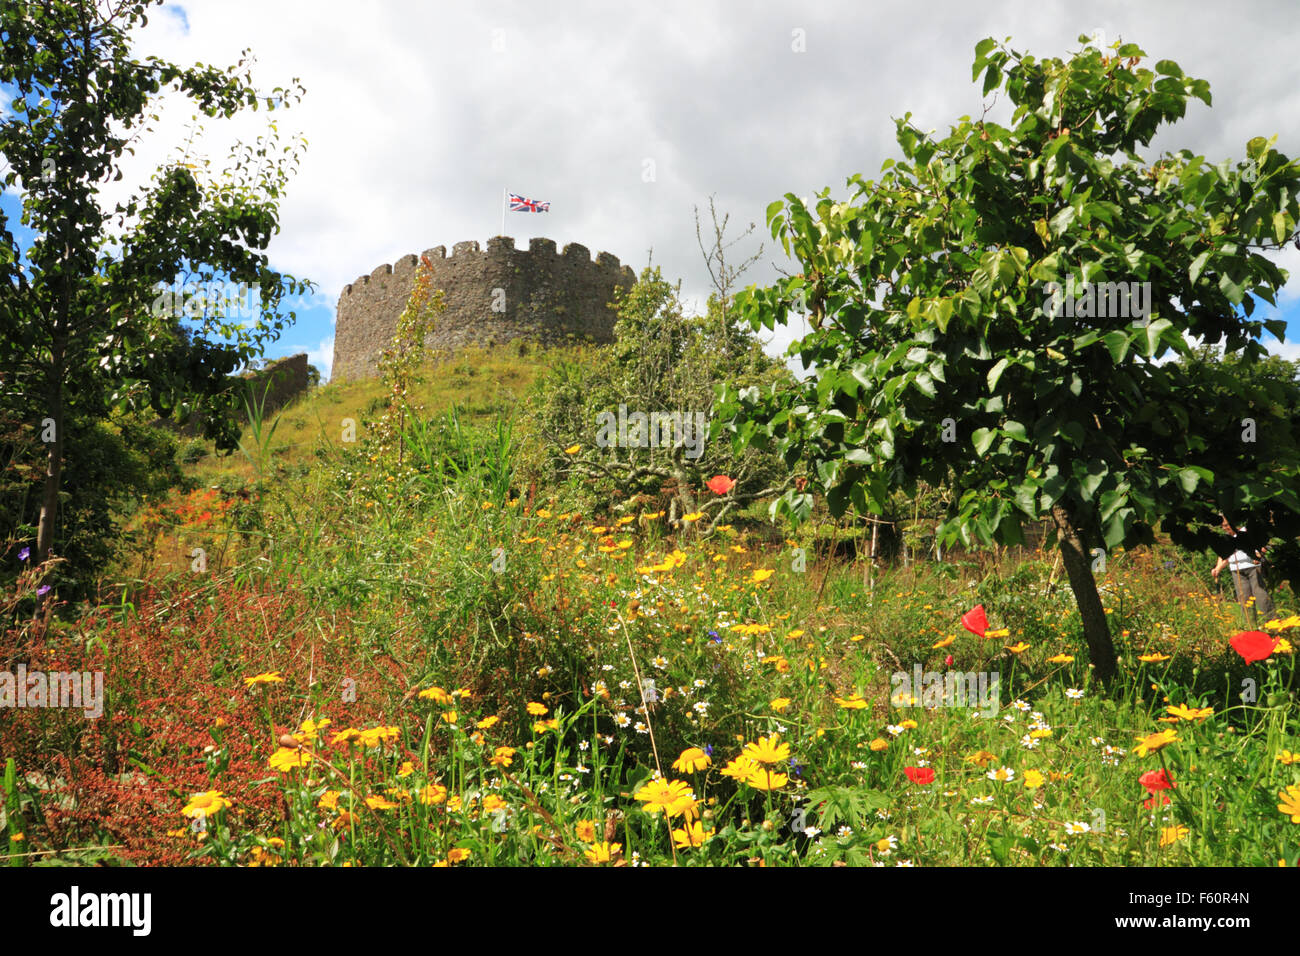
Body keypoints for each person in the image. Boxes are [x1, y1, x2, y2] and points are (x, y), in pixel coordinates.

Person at [1211, 514, 1276, 626]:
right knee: (1244, 600)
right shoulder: (1227, 537)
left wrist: (1259, 554)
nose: (1225, 528)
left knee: (1261, 596)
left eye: (1226, 525)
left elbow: (1263, 545)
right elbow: (1224, 555)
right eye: (1222, 526)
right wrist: (1217, 568)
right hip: (1236, 570)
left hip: (1253, 568)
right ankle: (1250, 627)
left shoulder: (1246, 532)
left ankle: (1273, 624)